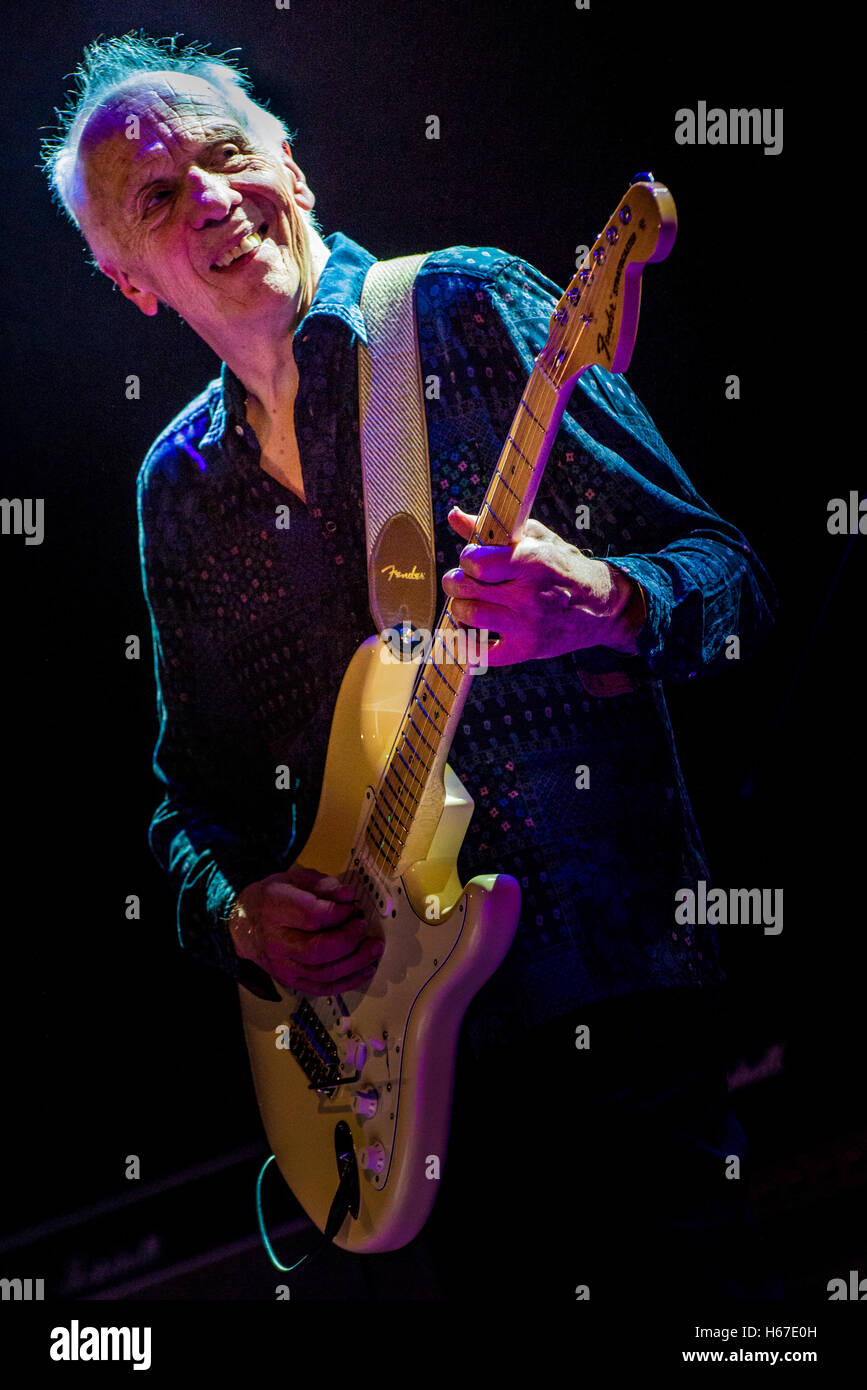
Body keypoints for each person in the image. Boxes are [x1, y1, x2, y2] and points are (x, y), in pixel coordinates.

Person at [43, 33, 782, 1300]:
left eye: (227, 155)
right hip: (381, 1069)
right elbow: (192, 803)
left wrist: (602, 600)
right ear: (129, 282)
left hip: (602, 992)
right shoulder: (178, 490)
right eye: (159, 197)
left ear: (294, 166)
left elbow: (731, 581)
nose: (211, 196)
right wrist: (239, 912)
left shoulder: (464, 306)